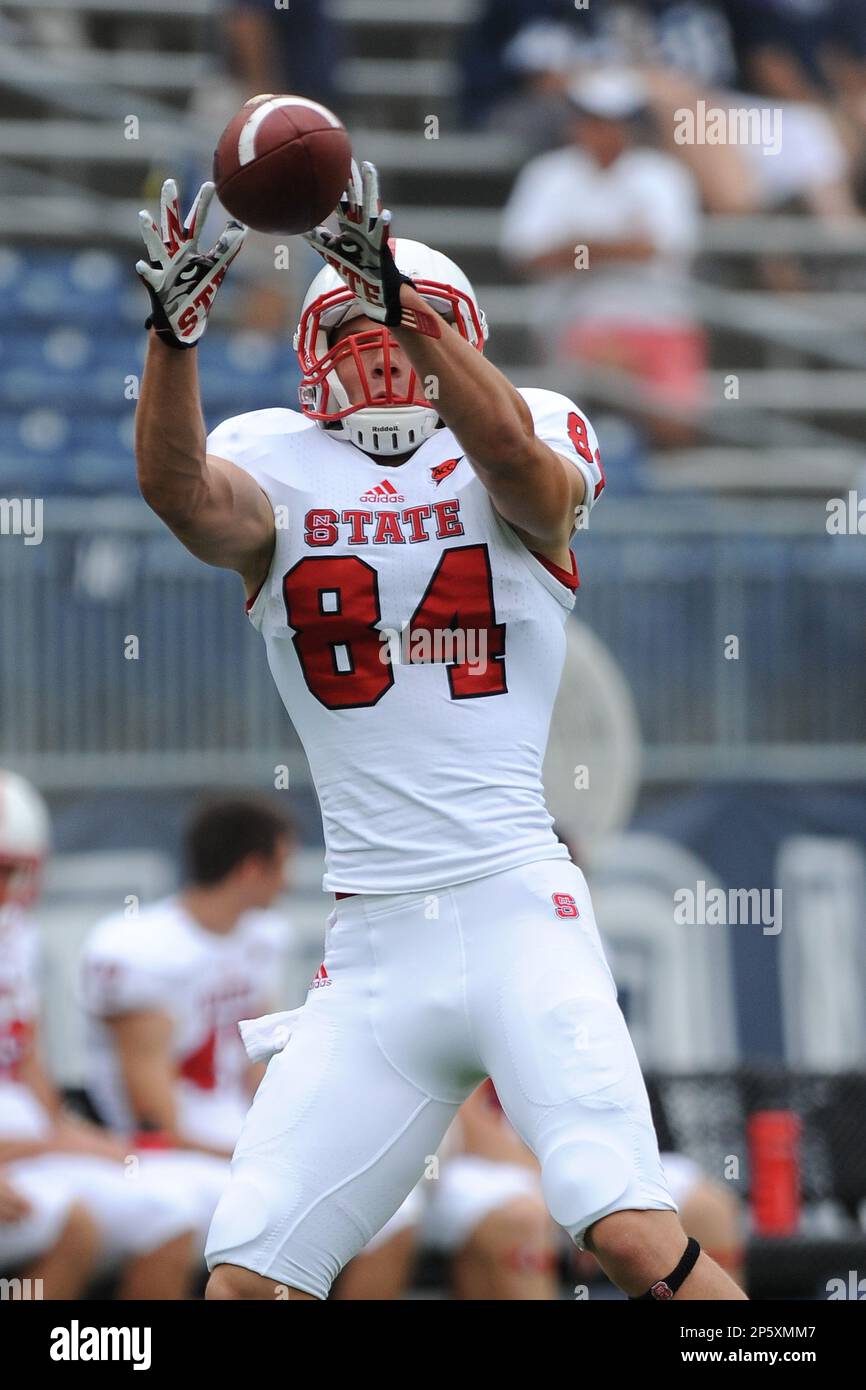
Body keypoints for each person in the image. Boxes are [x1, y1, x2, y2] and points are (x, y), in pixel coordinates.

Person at [133, 161, 747, 1302]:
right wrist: (171, 341)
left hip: (517, 907)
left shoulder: (532, 428)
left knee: (621, 1226)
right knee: (247, 1279)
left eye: (393, 329)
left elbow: (523, 472)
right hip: (372, 948)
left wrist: (402, 307)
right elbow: (179, 494)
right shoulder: (277, 459)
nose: (373, 353)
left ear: (447, 330)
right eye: (351, 331)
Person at [0, 770, 199, 1299]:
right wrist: (55, 1143)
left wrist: (78, 1136)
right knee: (76, 1227)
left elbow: (25, 1063)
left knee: (169, 1216)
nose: (8, 890)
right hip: (19, 1156)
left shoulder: (17, 937)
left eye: (17, 873)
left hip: (30, 1150)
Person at [501, 68, 705, 445]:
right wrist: (619, 247)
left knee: (674, 423)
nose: (602, 131)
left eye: (613, 121)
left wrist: (578, 248)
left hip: (661, 322)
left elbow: (665, 249)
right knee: (605, 375)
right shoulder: (548, 174)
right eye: (593, 120)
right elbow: (525, 253)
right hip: (573, 321)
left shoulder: (664, 175)